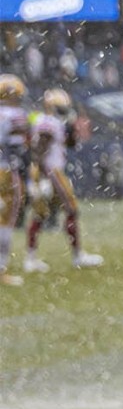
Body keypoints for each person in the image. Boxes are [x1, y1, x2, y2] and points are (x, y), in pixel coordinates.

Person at [20, 88, 103, 271]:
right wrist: (41, 178)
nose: (65, 112)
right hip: (49, 172)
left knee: (41, 215)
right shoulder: (48, 123)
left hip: (49, 171)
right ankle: (76, 255)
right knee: (70, 209)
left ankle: (32, 258)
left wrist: (72, 128)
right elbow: (39, 151)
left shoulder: (52, 122)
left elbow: (68, 144)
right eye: (62, 108)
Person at [0, 73, 30, 286]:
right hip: (6, 170)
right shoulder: (14, 114)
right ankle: (1, 268)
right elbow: (20, 145)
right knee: (6, 220)